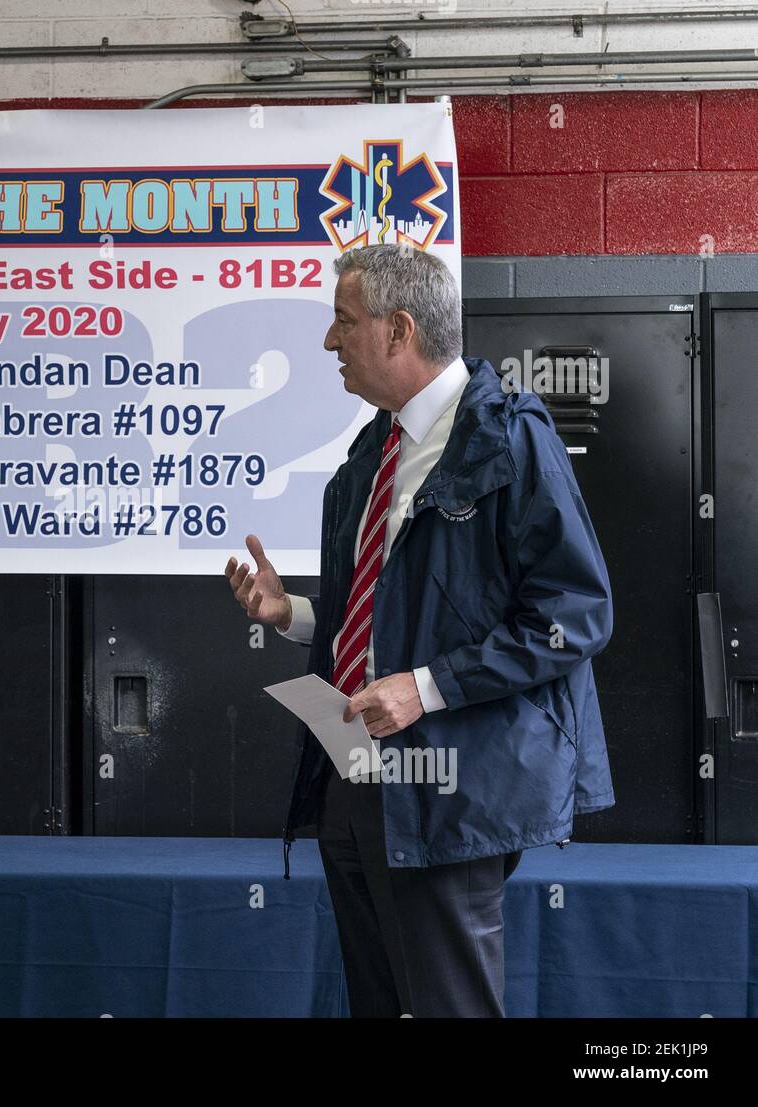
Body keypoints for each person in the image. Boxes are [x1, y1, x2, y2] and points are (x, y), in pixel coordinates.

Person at [224, 243, 614, 1017]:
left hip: (455, 783)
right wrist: (294, 614)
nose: (330, 343)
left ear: (399, 330)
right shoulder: (375, 450)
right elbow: (390, 612)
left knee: (448, 1005)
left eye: (343, 322)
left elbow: (575, 615)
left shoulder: (507, 440)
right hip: (358, 774)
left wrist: (426, 690)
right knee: (381, 1001)